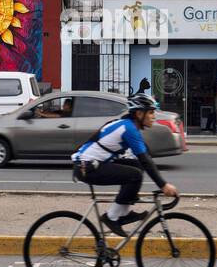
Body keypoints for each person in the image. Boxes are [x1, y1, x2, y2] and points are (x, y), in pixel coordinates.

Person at [71, 93, 179, 233]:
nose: (154, 116)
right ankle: (112, 217)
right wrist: (163, 185)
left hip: (93, 163)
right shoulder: (128, 129)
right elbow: (146, 159)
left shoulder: (127, 126)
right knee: (134, 175)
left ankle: (123, 212)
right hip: (87, 168)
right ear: (139, 113)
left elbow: (143, 160)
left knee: (136, 168)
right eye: (151, 112)